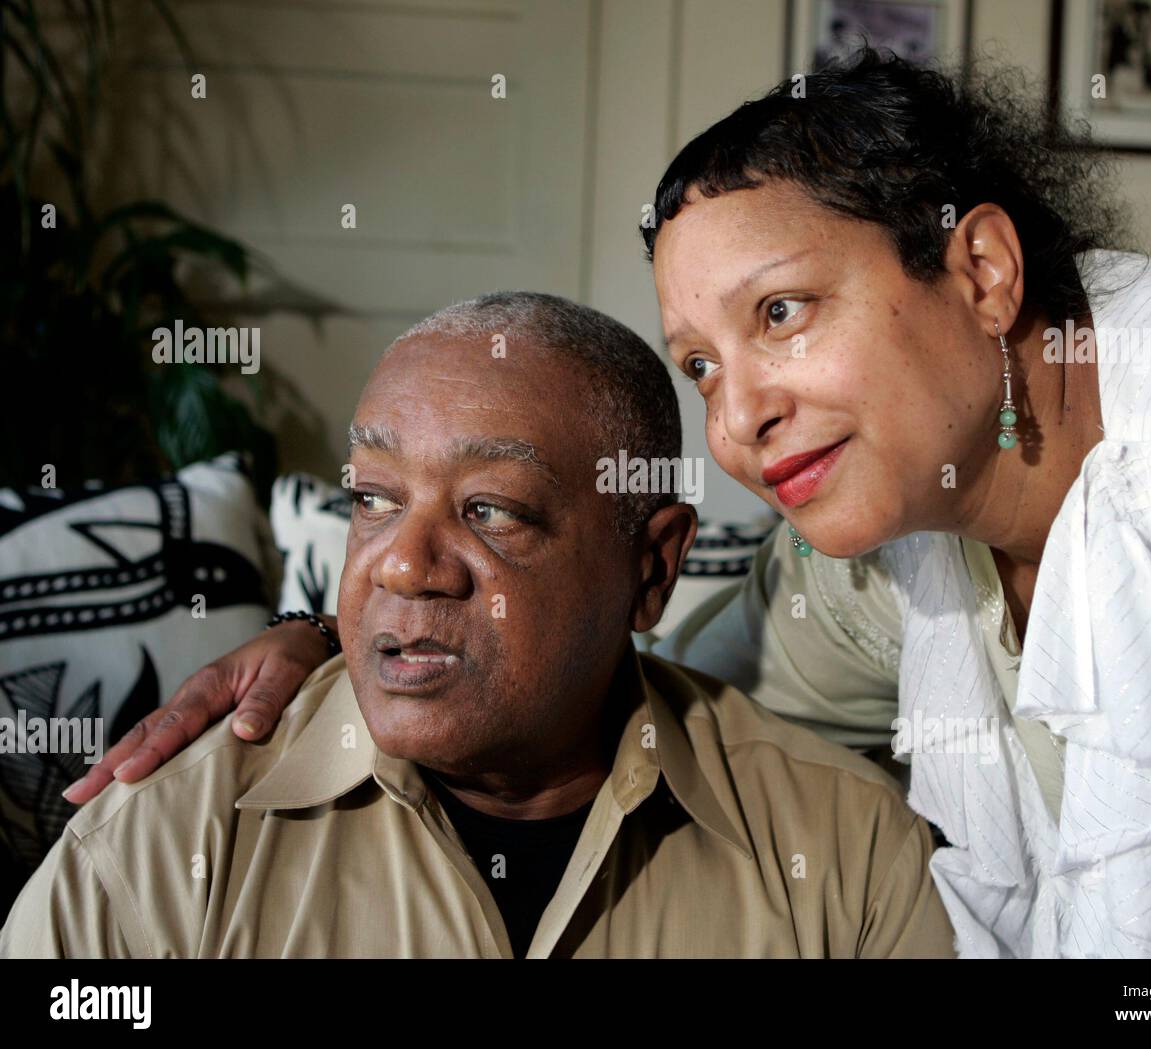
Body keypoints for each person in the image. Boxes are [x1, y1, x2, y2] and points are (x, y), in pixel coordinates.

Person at [64, 48, 1151, 958]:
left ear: (980, 269)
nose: (735, 420)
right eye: (702, 364)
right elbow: (616, 654)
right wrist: (355, 631)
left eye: (780, 313)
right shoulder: (876, 573)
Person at [0, 292, 954, 959]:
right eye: (373, 497)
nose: (403, 564)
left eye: (493, 509)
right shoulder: (162, 843)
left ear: (652, 568)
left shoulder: (850, 862)